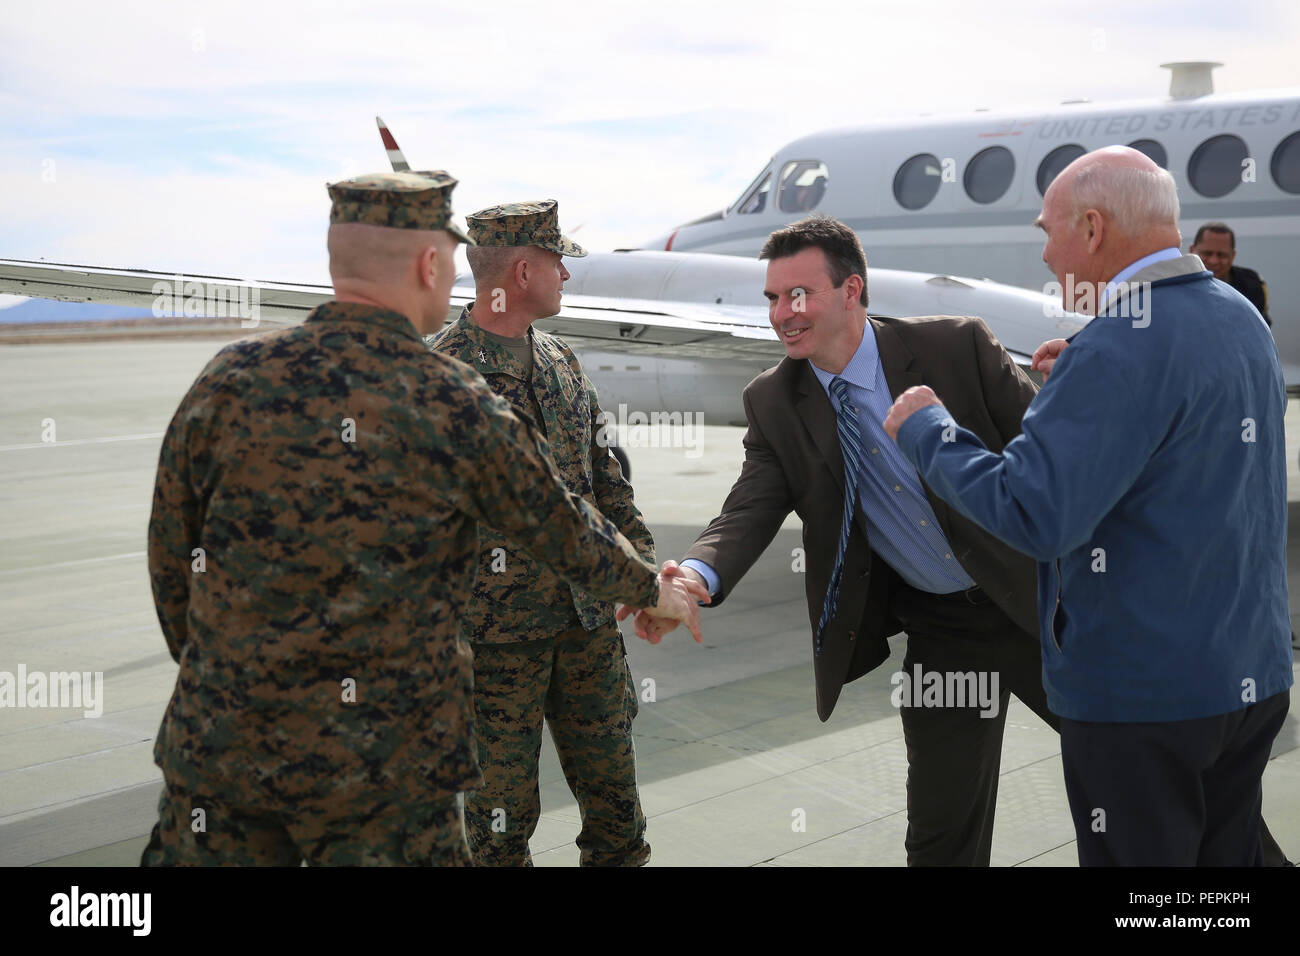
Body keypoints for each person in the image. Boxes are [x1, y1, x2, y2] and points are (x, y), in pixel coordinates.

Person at [141, 172, 706, 866]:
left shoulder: (226, 378)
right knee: (499, 835)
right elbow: (562, 526)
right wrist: (655, 590)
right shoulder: (448, 394)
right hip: (389, 779)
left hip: (222, 766)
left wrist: (234, 677)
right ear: (428, 264)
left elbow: (173, 567)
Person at [885, 146, 1293, 866]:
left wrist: (928, 430)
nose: (1044, 254)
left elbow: (1035, 515)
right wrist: (1081, 377)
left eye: (1048, 231)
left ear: (1095, 229)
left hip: (1146, 700)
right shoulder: (1237, 316)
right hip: (1246, 675)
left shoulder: (1115, 349)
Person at [624, 213, 1061, 866]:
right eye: (772, 297)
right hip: (945, 633)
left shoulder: (955, 347)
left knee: (1144, 774)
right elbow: (747, 510)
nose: (782, 314)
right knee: (942, 833)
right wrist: (693, 575)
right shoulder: (775, 400)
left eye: (797, 295)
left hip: (1041, 604)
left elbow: (1053, 458)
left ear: (852, 290)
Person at [429, 199, 658, 867]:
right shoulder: (443, 376)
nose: (567, 275)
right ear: (524, 270)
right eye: (559, 263)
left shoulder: (560, 361)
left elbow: (607, 478)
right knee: (498, 832)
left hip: (587, 628)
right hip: (494, 644)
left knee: (618, 815)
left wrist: (641, 570)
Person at [1189, 221, 1270, 325]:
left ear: (1233, 256)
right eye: (1207, 253)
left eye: (1222, 255)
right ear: (1192, 250)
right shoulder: (1177, 287)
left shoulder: (1253, 286)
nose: (1214, 261)